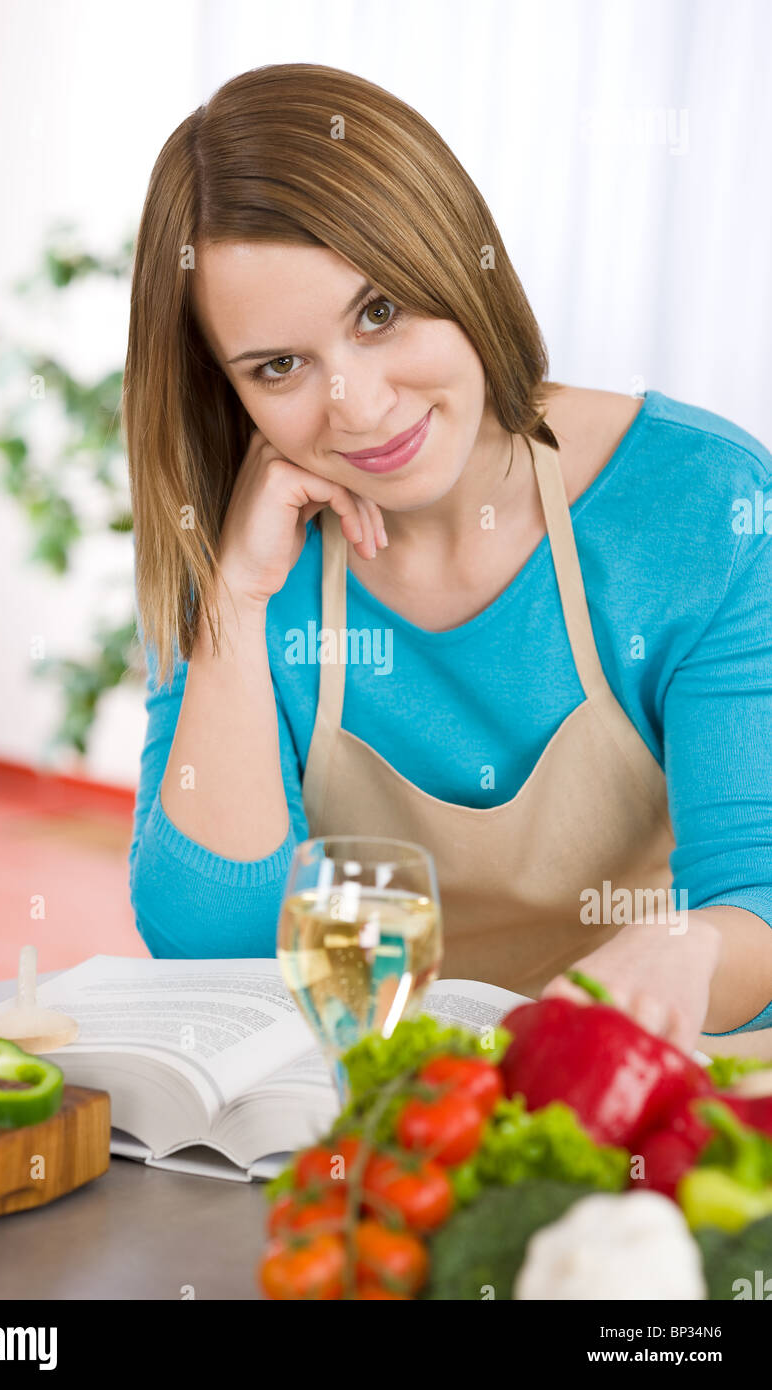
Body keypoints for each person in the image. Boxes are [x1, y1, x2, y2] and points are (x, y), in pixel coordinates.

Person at [122, 63, 772, 1056]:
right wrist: (236, 605)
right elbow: (208, 944)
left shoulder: (699, 505)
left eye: (378, 311)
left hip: (653, 1092)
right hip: (379, 1108)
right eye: (279, 367)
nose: (361, 406)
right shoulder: (243, 547)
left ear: (459, 264)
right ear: (229, 392)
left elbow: (757, 900)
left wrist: (677, 954)